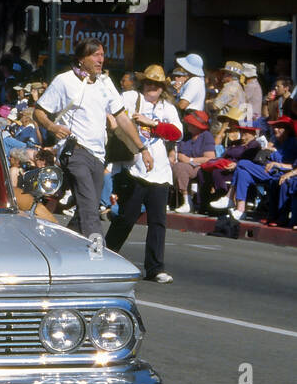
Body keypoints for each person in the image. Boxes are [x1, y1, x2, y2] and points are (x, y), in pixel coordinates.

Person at [33, 39, 143, 241]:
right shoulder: (64, 81)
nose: (100, 59)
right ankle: (98, 250)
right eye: (95, 55)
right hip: (75, 151)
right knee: (89, 206)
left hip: (98, 154)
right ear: (81, 59)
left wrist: (142, 148)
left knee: (89, 206)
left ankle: (65, 245)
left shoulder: (105, 82)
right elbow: (39, 112)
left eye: (102, 55)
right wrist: (52, 127)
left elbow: (122, 117)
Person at [104, 65, 182, 283]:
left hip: (160, 171)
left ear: (162, 88)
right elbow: (112, 110)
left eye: (157, 85)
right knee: (127, 217)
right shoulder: (130, 97)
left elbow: (177, 133)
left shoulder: (167, 108)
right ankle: (106, 256)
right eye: (148, 82)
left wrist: (153, 124)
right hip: (133, 168)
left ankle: (155, 268)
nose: (152, 88)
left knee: (158, 221)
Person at [171, 110, 216, 213]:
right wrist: (173, 156)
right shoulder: (186, 136)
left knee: (181, 167)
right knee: (176, 166)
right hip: (183, 165)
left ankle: (187, 202)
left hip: (200, 166)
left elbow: (210, 158)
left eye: (190, 123)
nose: (188, 125)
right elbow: (175, 150)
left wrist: (189, 160)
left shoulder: (206, 136)